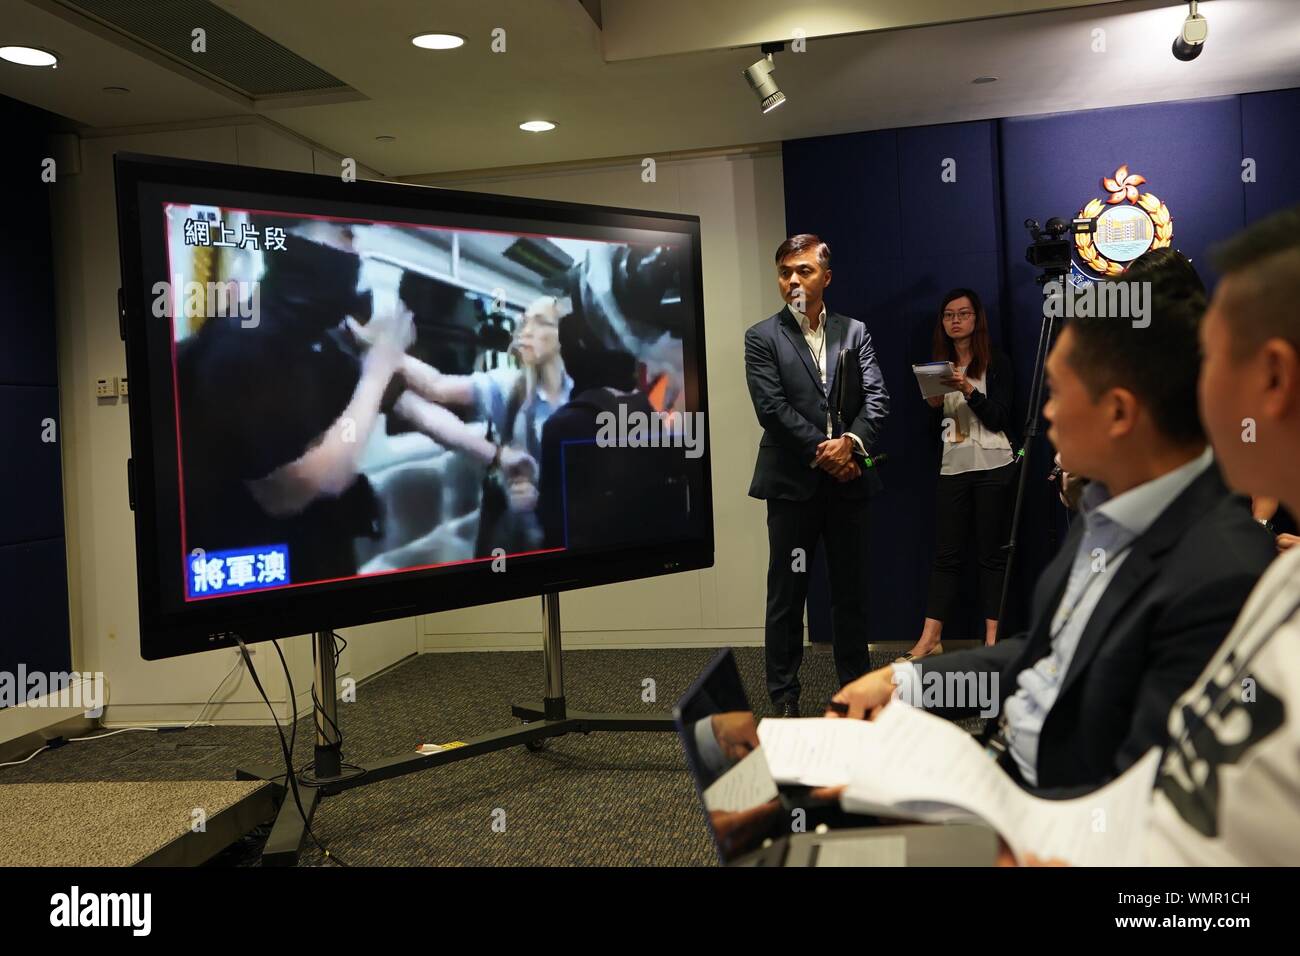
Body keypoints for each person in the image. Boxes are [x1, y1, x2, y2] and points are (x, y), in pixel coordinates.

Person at [828, 251, 1276, 794]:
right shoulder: (1101, 521)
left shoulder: (1219, 572)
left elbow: (1144, 793)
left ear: (1118, 412)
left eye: (1062, 394)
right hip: (1005, 768)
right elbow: (1043, 658)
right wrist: (907, 683)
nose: (1048, 415)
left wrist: (973, 797)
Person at [744, 235, 890, 717]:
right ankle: (784, 698)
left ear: (826, 276)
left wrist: (850, 446)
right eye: (785, 271)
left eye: (804, 270)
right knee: (788, 595)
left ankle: (854, 695)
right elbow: (772, 409)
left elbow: (877, 400)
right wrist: (823, 450)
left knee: (850, 595)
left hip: (850, 481)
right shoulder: (762, 337)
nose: (793, 280)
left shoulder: (856, 332)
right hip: (793, 485)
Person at [901, 289, 1017, 661]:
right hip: (953, 466)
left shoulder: (996, 361)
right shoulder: (938, 365)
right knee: (946, 556)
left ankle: (992, 641)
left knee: (991, 556)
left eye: (963, 314)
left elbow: (1001, 417)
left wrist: (968, 388)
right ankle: (930, 638)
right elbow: (938, 425)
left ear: (976, 319)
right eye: (948, 315)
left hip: (994, 464)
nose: (955, 320)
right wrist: (935, 404)